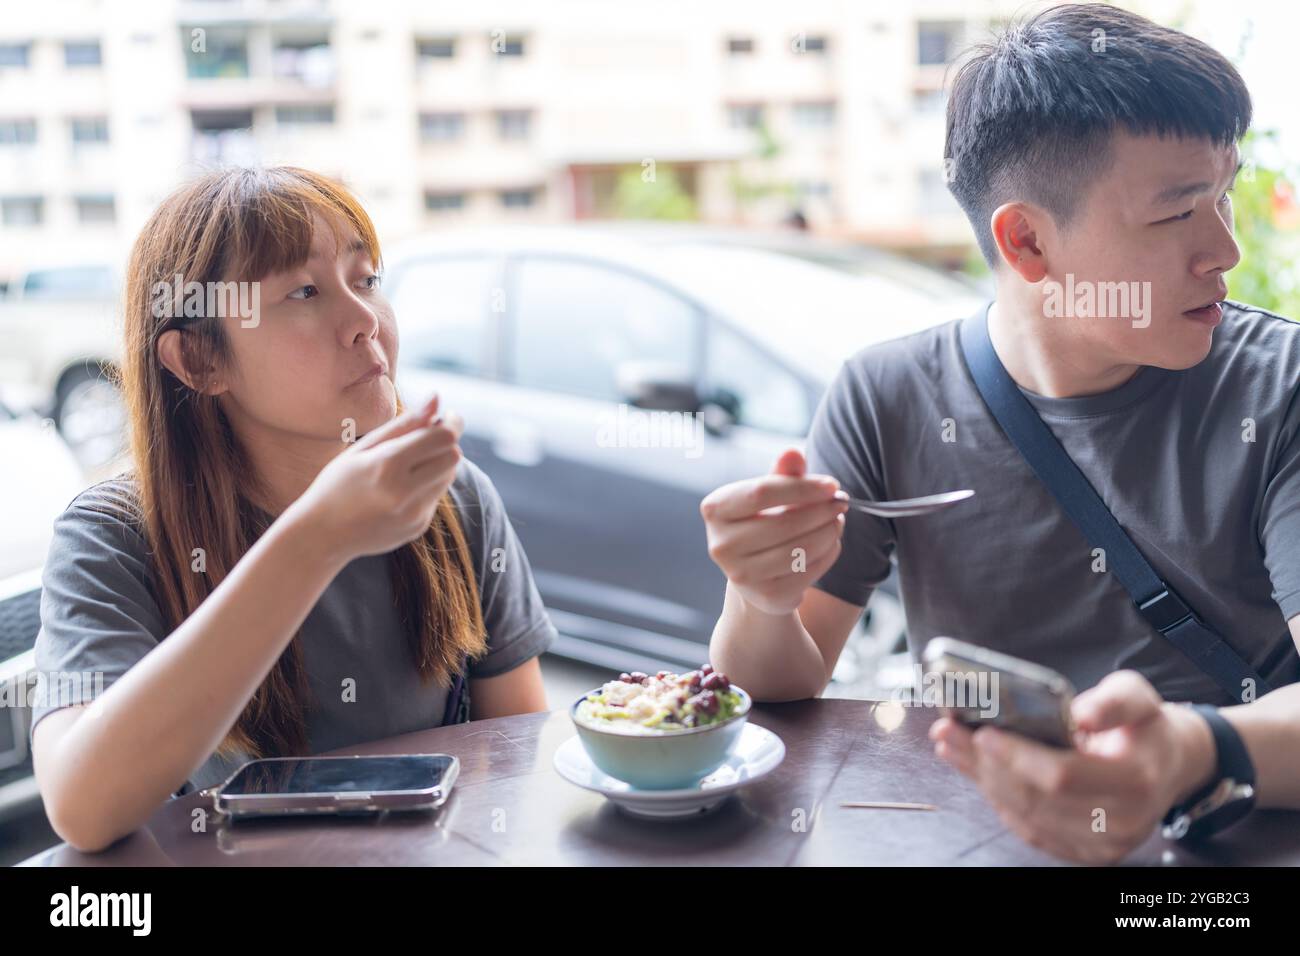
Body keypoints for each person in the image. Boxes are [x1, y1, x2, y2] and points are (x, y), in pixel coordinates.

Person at [701, 3, 1300, 863]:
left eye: (1225, 194)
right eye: (1176, 215)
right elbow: (783, 690)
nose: (1226, 248)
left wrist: (1191, 752)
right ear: (1026, 242)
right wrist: (761, 597)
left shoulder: (1280, 388)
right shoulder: (888, 394)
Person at [29, 166, 556, 853]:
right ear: (196, 360)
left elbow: (520, 765)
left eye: (366, 279)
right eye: (304, 291)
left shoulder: (453, 501)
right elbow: (83, 804)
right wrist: (315, 540)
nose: (365, 320)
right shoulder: (115, 539)